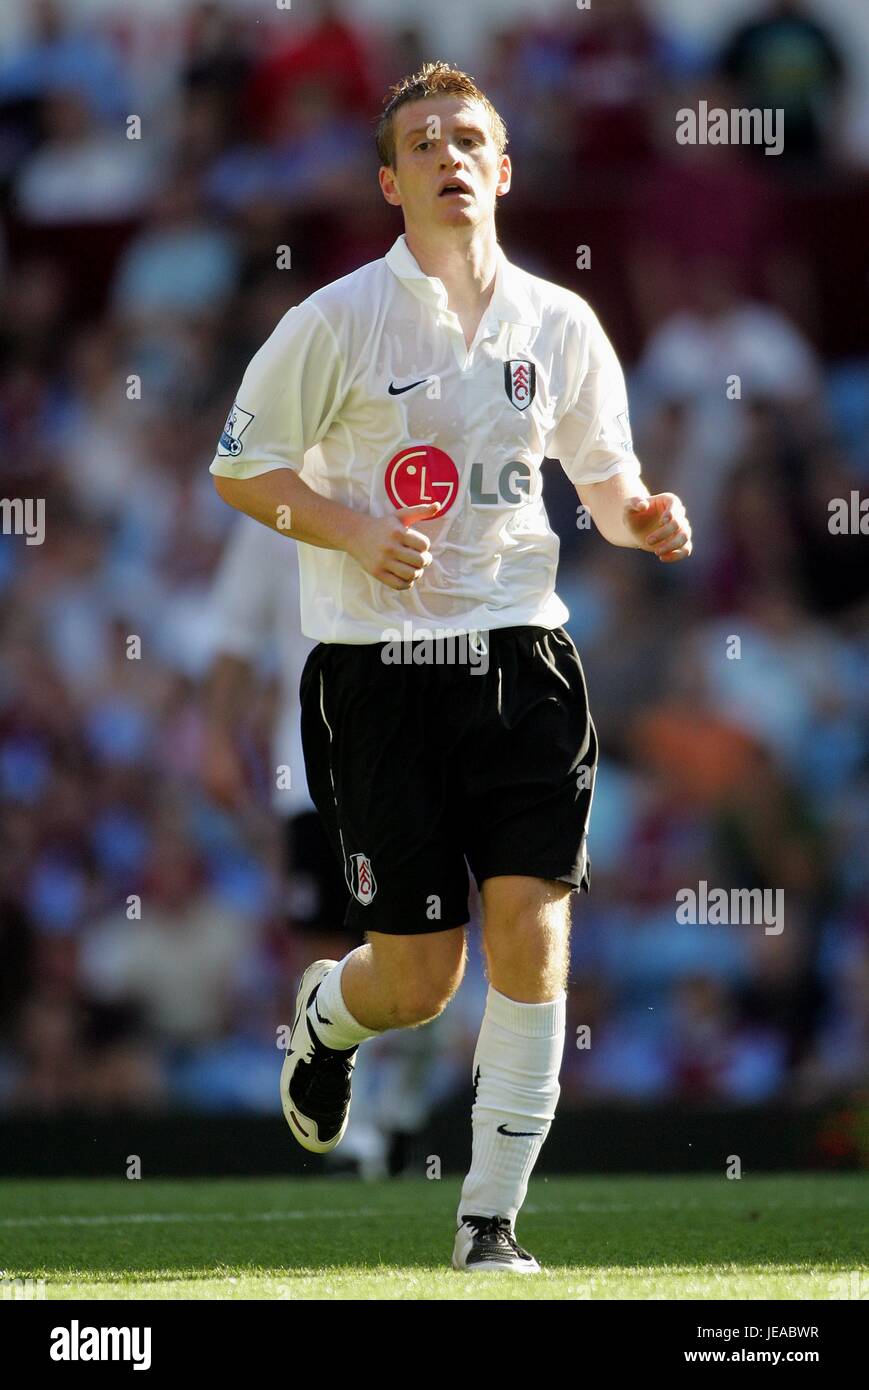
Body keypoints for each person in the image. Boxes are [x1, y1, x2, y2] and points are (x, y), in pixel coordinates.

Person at [209, 61, 692, 1274]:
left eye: (467, 137)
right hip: (376, 670)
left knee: (530, 926)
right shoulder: (331, 321)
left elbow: (606, 484)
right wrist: (355, 528)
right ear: (389, 181)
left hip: (524, 650)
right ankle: (330, 1011)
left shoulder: (560, 323)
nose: (447, 155)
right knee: (420, 982)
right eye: (421, 142)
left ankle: (489, 1221)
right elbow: (240, 468)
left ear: (504, 167)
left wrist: (643, 518)